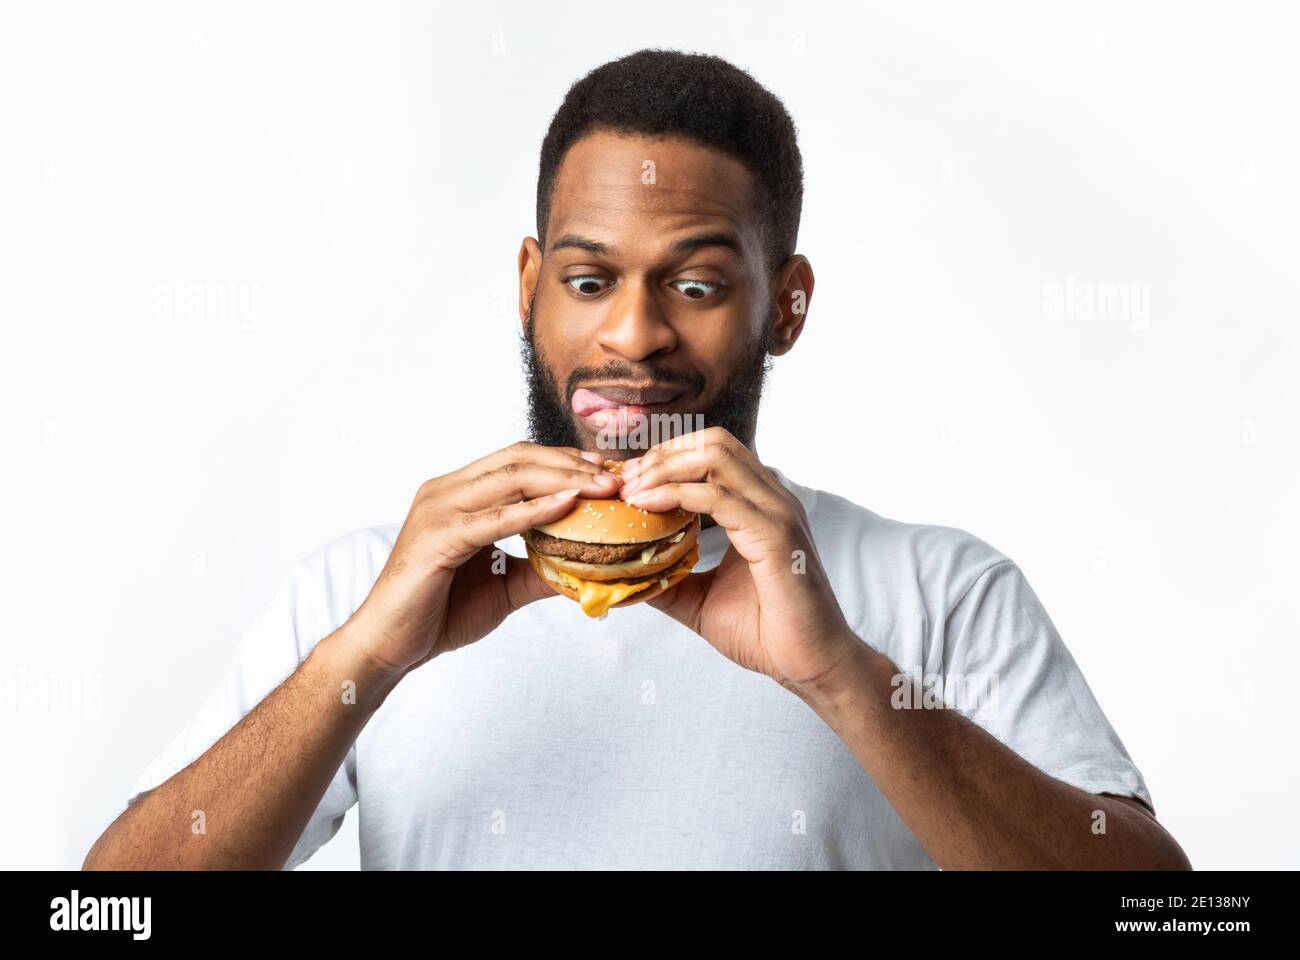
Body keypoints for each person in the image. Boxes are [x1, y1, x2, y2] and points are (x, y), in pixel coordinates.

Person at [83, 49, 1189, 870]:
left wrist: (840, 675)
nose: (633, 335)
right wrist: (365, 657)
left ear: (786, 306)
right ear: (528, 287)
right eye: (587, 279)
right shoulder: (363, 591)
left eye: (697, 284)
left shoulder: (939, 592)